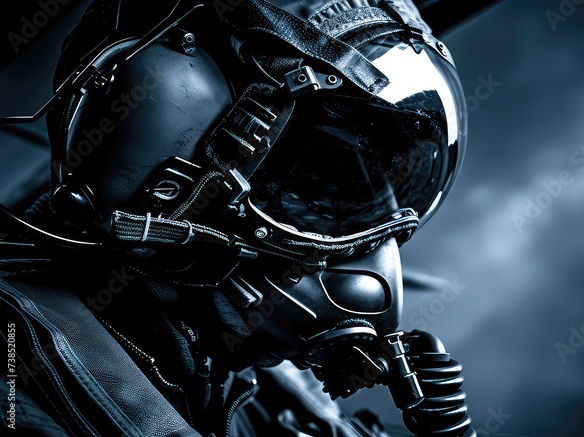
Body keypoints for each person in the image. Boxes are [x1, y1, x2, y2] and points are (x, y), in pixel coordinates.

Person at [0, 0, 474, 435]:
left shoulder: (266, 395)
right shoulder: (18, 377)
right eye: (312, 179)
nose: (377, 247)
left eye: (369, 194)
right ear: (163, 153)